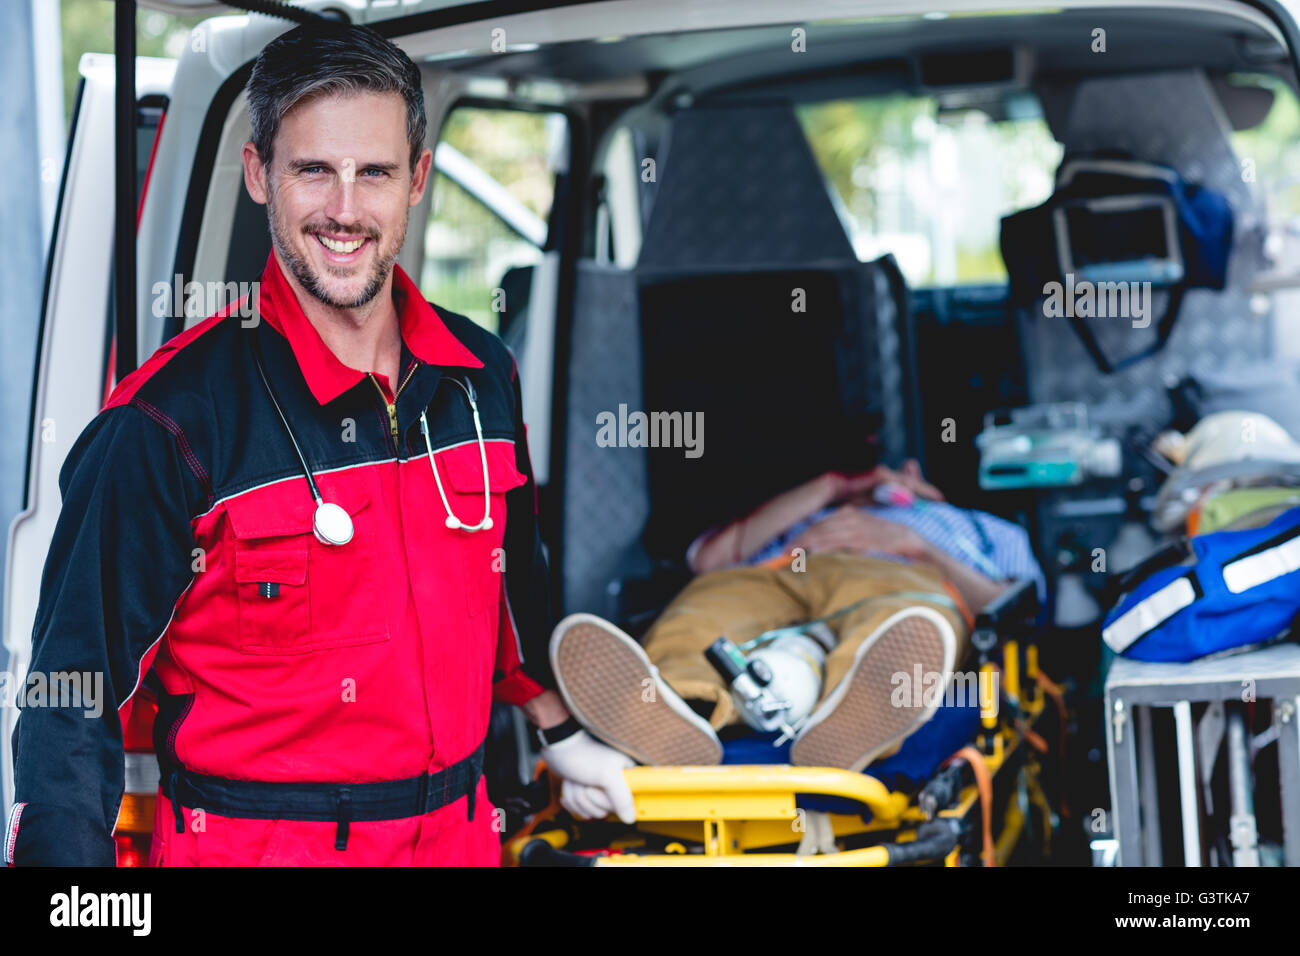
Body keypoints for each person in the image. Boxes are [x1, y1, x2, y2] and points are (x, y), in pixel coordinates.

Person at [6, 22, 632, 867]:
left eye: (374, 172)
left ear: (417, 180)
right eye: (313, 170)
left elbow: (512, 582)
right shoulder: (167, 424)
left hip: (458, 836)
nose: (345, 210)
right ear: (260, 174)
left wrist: (556, 729)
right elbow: (70, 700)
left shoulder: (480, 377)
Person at [547, 461, 1043, 818]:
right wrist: (836, 487)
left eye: (905, 468)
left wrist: (914, 545)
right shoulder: (807, 512)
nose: (896, 471)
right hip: (779, 572)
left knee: (906, 624)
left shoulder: (976, 528)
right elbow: (708, 559)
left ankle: (847, 719)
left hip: (900, 576)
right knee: (699, 615)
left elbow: (1018, 603)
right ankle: (679, 707)